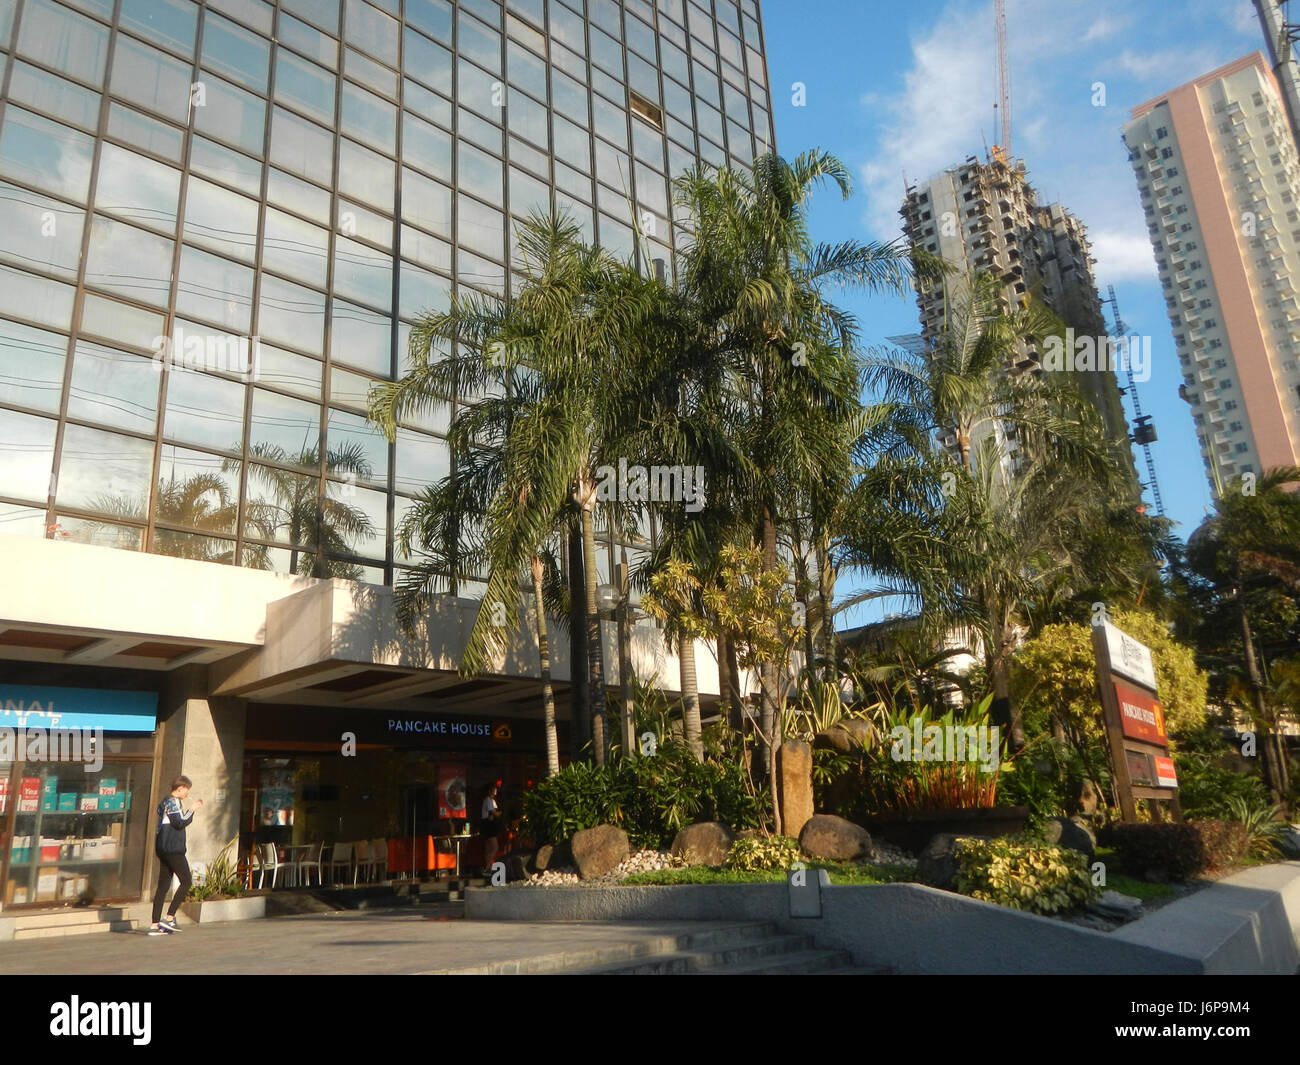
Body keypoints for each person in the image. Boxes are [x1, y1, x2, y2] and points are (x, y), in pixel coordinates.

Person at [149, 775, 202, 936]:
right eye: (186, 790)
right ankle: (169, 917)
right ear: (180, 789)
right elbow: (179, 822)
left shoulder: (166, 801)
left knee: (163, 886)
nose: (187, 793)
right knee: (186, 881)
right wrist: (192, 809)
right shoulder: (173, 801)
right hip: (173, 849)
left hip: (163, 848)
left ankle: (154, 925)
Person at [478, 782, 502, 877]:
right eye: (493, 789)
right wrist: (498, 814)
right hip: (488, 825)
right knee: (494, 847)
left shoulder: (492, 801)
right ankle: (488, 867)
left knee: (489, 848)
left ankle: (487, 868)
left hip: (489, 824)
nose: (495, 790)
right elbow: (495, 813)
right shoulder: (488, 800)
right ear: (490, 791)